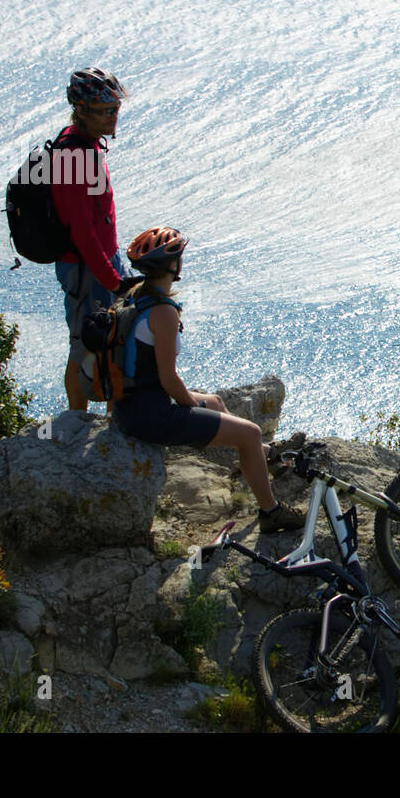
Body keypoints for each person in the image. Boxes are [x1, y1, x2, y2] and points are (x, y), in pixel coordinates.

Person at [111, 226, 302, 533]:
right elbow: (168, 378)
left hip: (130, 407)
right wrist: (188, 407)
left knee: (214, 401)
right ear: (172, 265)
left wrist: (198, 404)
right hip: (150, 417)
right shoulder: (164, 313)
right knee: (251, 433)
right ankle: (271, 512)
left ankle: (262, 459)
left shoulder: (135, 298)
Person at [53, 67, 137, 411]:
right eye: (106, 111)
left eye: (115, 108)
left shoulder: (88, 146)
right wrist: (112, 279)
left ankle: (114, 416)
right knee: (85, 343)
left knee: (110, 340)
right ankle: (76, 422)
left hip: (103, 259)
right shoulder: (72, 155)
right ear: (83, 110)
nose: (114, 117)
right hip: (85, 267)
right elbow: (81, 230)